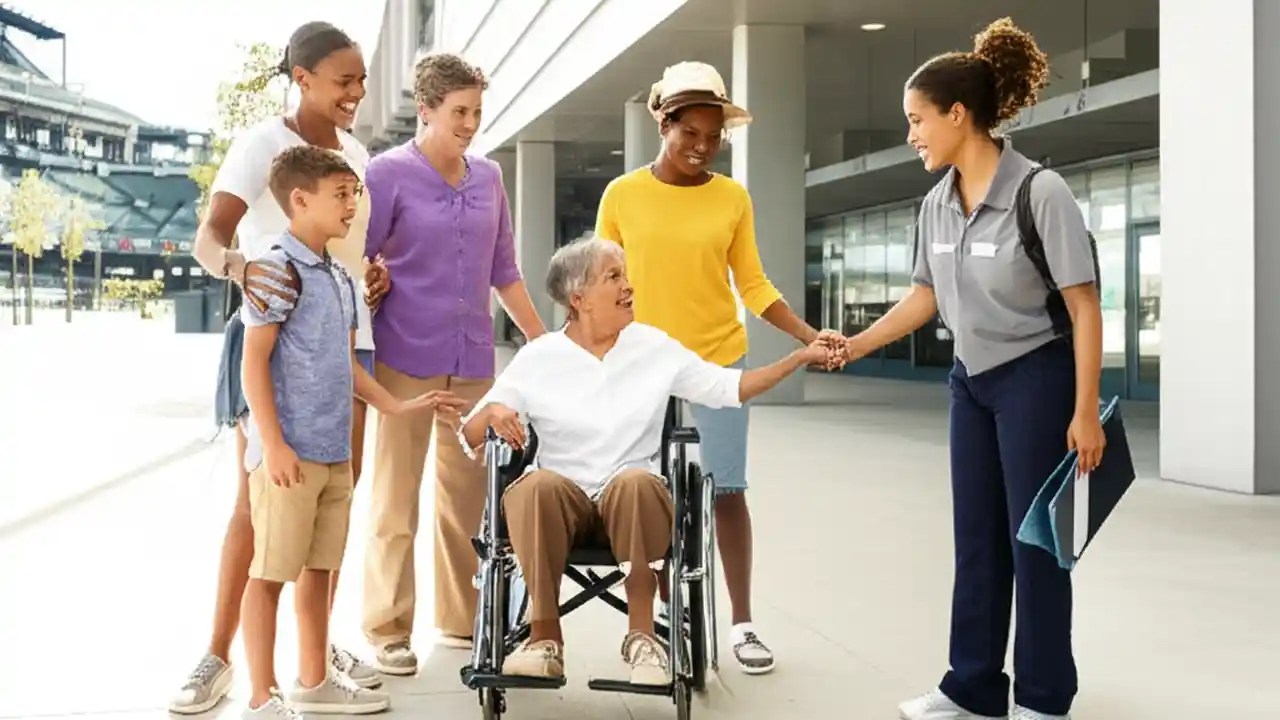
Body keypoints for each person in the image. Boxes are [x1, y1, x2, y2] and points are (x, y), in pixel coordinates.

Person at [836, 19, 1104, 720]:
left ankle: (1044, 698)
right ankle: (974, 687)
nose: (912, 135)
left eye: (917, 120)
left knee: (1036, 544)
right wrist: (855, 346)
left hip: (1036, 379)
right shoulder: (934, 204)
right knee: (977, 540)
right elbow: (924, 298)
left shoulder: (1039, 193)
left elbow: (1084, 306)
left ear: (959, 115)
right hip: (971, 383)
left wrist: (1084, 410)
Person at [458, 236, 836, 684]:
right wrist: (495, 413)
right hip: (562, 506)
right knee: (535, 485)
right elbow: (470, 433)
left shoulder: (653, 347)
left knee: (637, 481)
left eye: (625, 275)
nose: (628, 287)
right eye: (613, 277)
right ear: (578, 299)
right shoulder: (539, 357)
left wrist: (799, 358)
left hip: (634, 504)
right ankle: (544, 639)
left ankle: (643, 639)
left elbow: (727, 388)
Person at [594, 60, 840, 675]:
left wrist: (810, 337)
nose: (703, 147)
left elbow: (753, 285)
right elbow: (595, 283)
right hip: (639, 366)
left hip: (717, 361)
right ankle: (648, 627)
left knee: (727, 492)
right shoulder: (622, 195)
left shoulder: (732, 197)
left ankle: (742, 624)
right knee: (642, 494)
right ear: (663, 123)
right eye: (690, 134)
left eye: (714, 136)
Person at [177, 21, 385, 714]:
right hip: (276, 350)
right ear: (302, 79)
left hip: (347, 351)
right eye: (343, 80)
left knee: (332, 501)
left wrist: (367, 278)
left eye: (360, 80)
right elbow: (209, 236)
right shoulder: (263, 143)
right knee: (257, 506)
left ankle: (314, 657)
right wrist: (239, 267)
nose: (356, 92)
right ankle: (218, 655)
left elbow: (346, 252)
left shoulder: (354, 152)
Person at [236, 146, 465, 718]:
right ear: (300, 199)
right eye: (341, 194)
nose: (352, 205)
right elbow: (252, 363)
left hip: (334, 453)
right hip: (290, 457)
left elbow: (347, 366)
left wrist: (401, 405)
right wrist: (276, 444)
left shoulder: (339, 275)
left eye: (354, 193)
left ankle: (314, 682)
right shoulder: (274, 268)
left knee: (319, 573)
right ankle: (262, 697)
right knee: (268, 575)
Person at [360, 51, 547, 675]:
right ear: (426, 109)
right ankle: (388, 628)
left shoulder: (490, 177)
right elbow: (356, 257)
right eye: (459, 112)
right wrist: (372, 280)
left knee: (466, 499)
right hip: (403, 358)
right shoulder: (386, 174)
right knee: (394, 497)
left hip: (471, 360)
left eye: (476, 112)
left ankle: (462, 619)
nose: (470, 124)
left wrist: (546, 346)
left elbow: (506, 273)